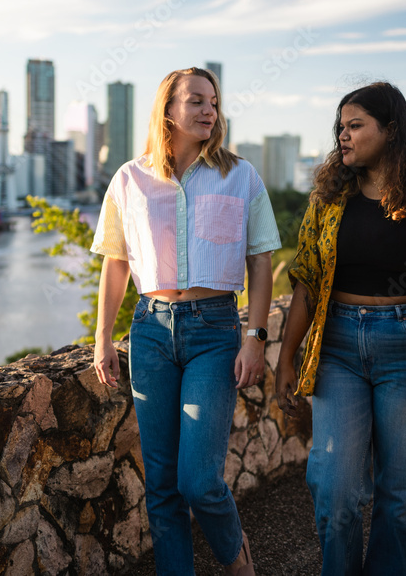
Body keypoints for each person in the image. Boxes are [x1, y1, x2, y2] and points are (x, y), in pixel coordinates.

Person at [274, 81, 406, 574]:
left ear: (391, 130)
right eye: (340, 128)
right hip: (339, 348)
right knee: (335, 486)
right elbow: (306, 278)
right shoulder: (330, 194)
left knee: (402, 495)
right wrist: (286, 357)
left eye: (355, 126)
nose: (342, 136)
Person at [90, 67, 281, 576]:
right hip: (150, 330)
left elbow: (261, 261)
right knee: (163, 485)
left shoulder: (241, 175)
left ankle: (237, 558)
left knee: (199, 480)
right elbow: (115, 261)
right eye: (195, 100)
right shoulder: (129, 178)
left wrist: (255, 336)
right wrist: (102, 336)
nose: (208, 111)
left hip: (216, 333)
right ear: (167, 110)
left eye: (213, 102)